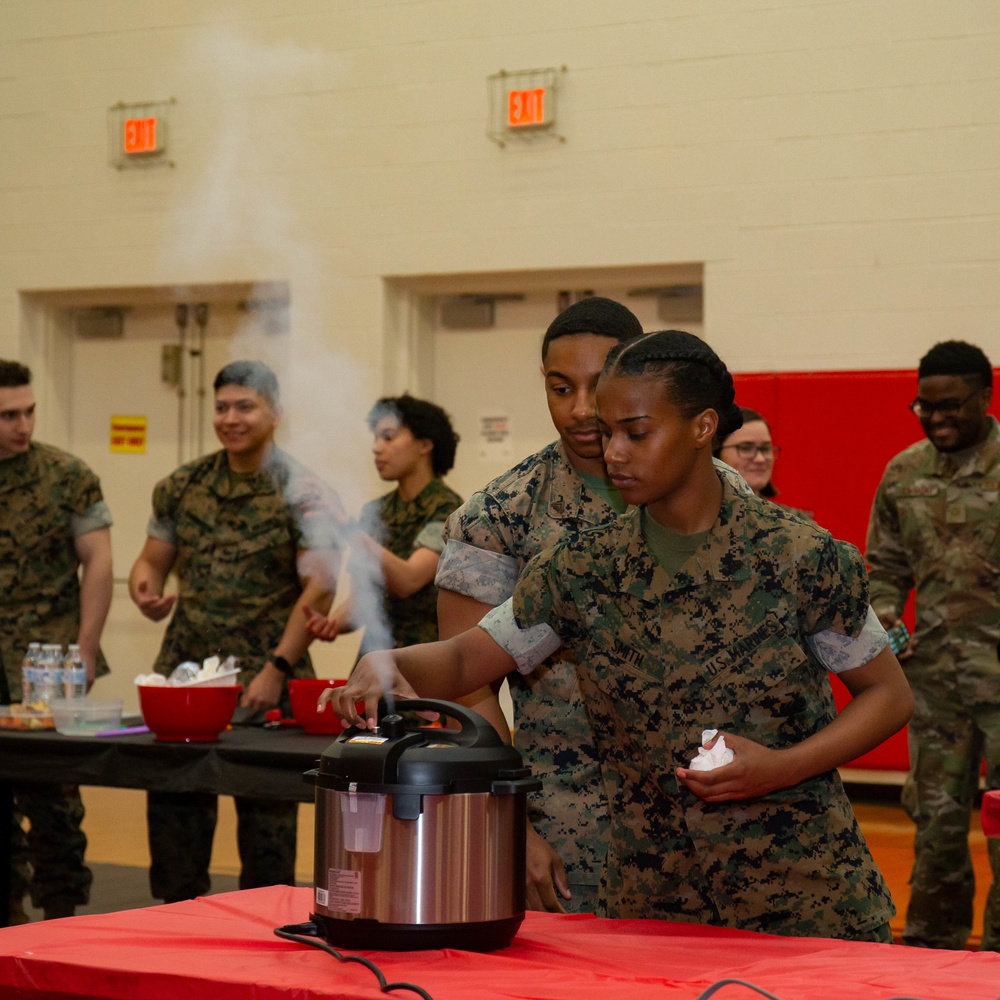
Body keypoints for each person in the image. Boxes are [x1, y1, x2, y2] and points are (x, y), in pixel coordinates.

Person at [322, 330, 913, 941]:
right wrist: (394, 663)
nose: (614, 453)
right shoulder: (581, 568)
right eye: (607, 434)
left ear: (703, 427)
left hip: (802, 897)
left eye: (637, 433)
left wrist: (781, 768)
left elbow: (888, 697)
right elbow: (467, 658)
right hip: (653, 905)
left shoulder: (799, 556)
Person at [433, 295, 643, 914]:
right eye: (560, 388)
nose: (580, 410)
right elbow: (465, 689)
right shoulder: (497, 516)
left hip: (700, 816)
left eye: (598, 385)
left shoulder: (700, 491)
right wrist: (513, 825)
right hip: (566, 817)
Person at [129, 360, 344, 903]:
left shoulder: (304, 490)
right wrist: (145, 588)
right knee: (177, 822)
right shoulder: (183, 485)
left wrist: (277, 667)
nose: (231, 418)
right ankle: (176, 937)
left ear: (275, 413)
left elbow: (318, 585)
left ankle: (262, 955)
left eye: (244, 406)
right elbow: (151, 560)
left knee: (267, 839)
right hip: (188, 679)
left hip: (265, 679)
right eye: (222, 407)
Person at [865, 339, 1000, 951]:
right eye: (925, 407)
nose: (938, 417)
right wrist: (888, 617)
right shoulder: (904, 473)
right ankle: (930, 958)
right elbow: (884, 569)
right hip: (937, 686)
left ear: (985, 396)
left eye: (951, 406)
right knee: (937, 832)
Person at [0, 360, 113, 923]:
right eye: (7, 416)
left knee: (54, 803)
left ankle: (64, 917)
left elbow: (98, 561)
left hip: (44, 665)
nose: (23, 426)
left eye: (29, 412)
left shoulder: (66, 475)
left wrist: (86, 648)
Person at [305, 393, 462, 651]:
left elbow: (408, 581)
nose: (376, 447)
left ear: (424, 445)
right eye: (376, 438)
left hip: (422, 662)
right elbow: (362, 599)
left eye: (388, 437)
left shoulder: (449, 509)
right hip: (375, 659)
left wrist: (347, 527)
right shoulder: (375, 511)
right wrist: (331, 622)